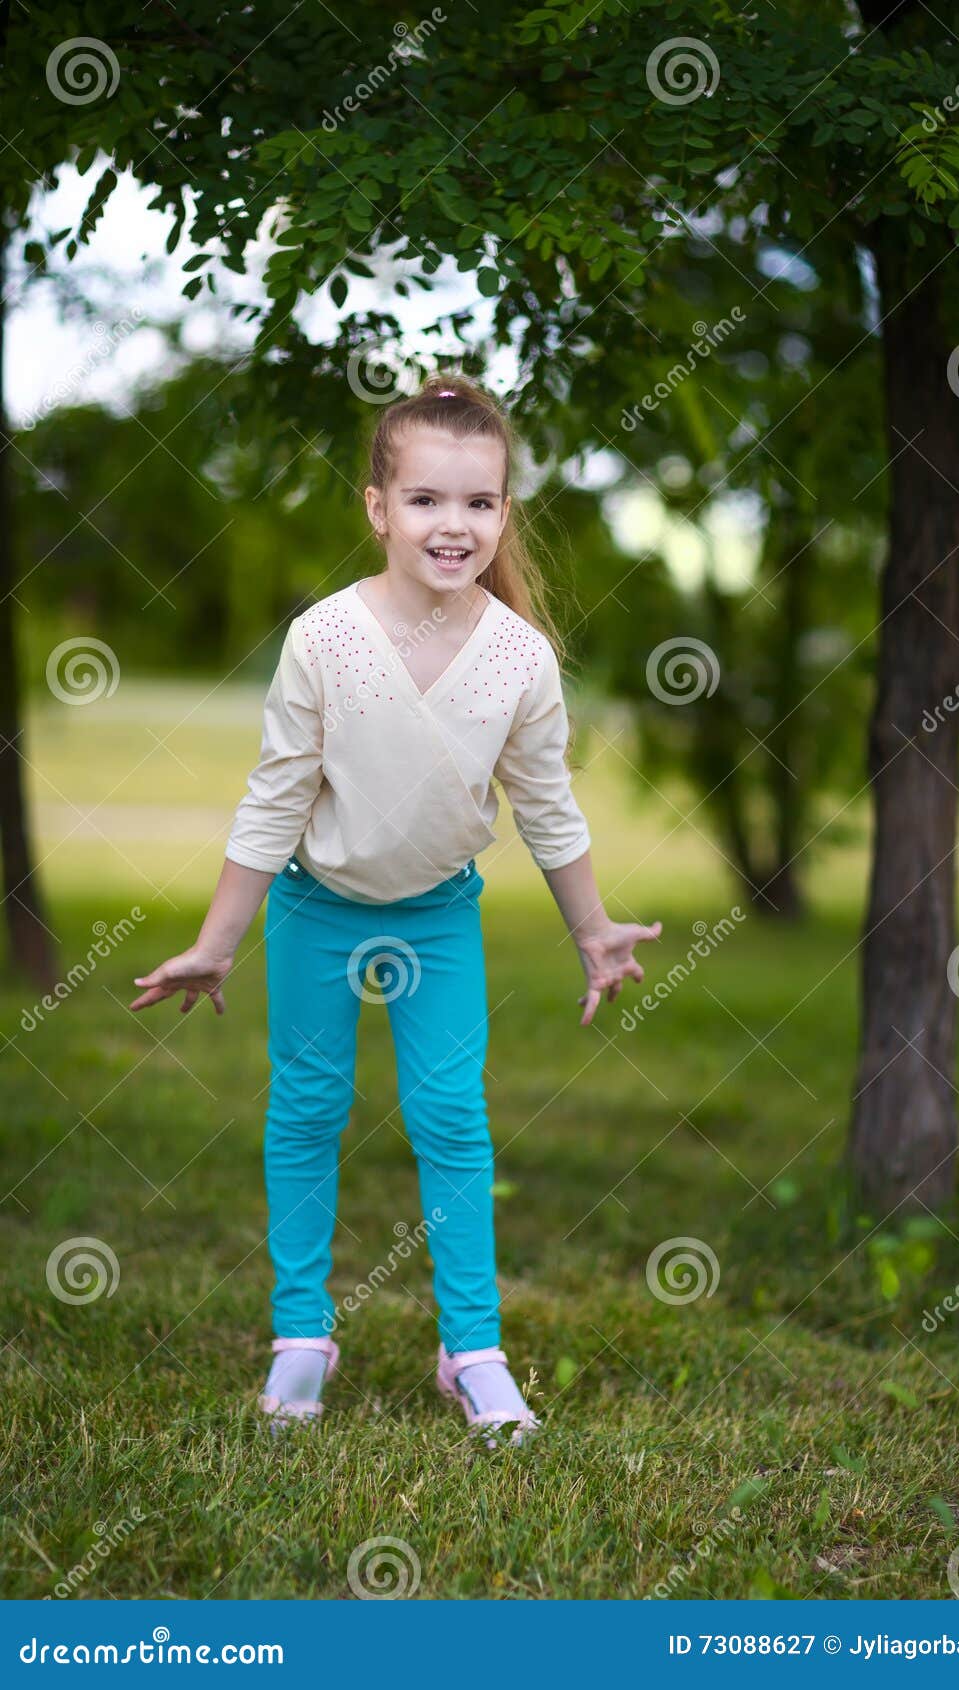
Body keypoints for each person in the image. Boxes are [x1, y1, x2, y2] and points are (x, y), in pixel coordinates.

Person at [129, 373, 662, 1448]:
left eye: (477, 502)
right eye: (424, 500)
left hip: (435, 919)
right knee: (307, 1112)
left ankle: (471, 1353)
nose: (452, 524)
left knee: (450, 1118)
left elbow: (546, 807)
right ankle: (299, 1337)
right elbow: (273, 798)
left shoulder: (519, 657)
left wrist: (593, 930)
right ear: (376, 507)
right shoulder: (323, 638)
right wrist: (216, 944)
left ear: (504, 512)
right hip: (316, 911)